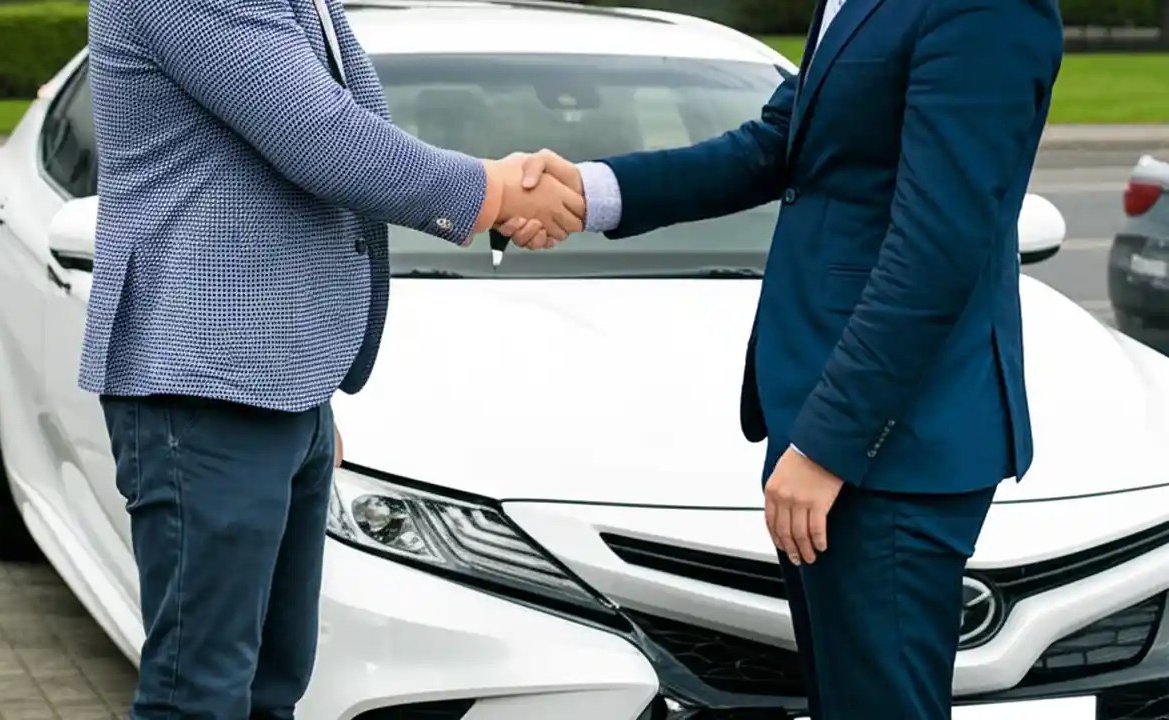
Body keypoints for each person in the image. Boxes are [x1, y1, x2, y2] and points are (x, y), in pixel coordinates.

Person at [502, 0, 1063, 717]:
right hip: (822, 412)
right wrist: (592, 192)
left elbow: (936, 250)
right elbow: (778, 146)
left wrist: (830, 446)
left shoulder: (987, 8)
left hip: (890, 442)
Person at [80, 0, 583, 717]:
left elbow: (345, 128)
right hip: (207, 391)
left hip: (277, 389)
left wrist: (310, 396)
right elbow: (326, 140)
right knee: (201, 693)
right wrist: (497, 191)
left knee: (272, 684)